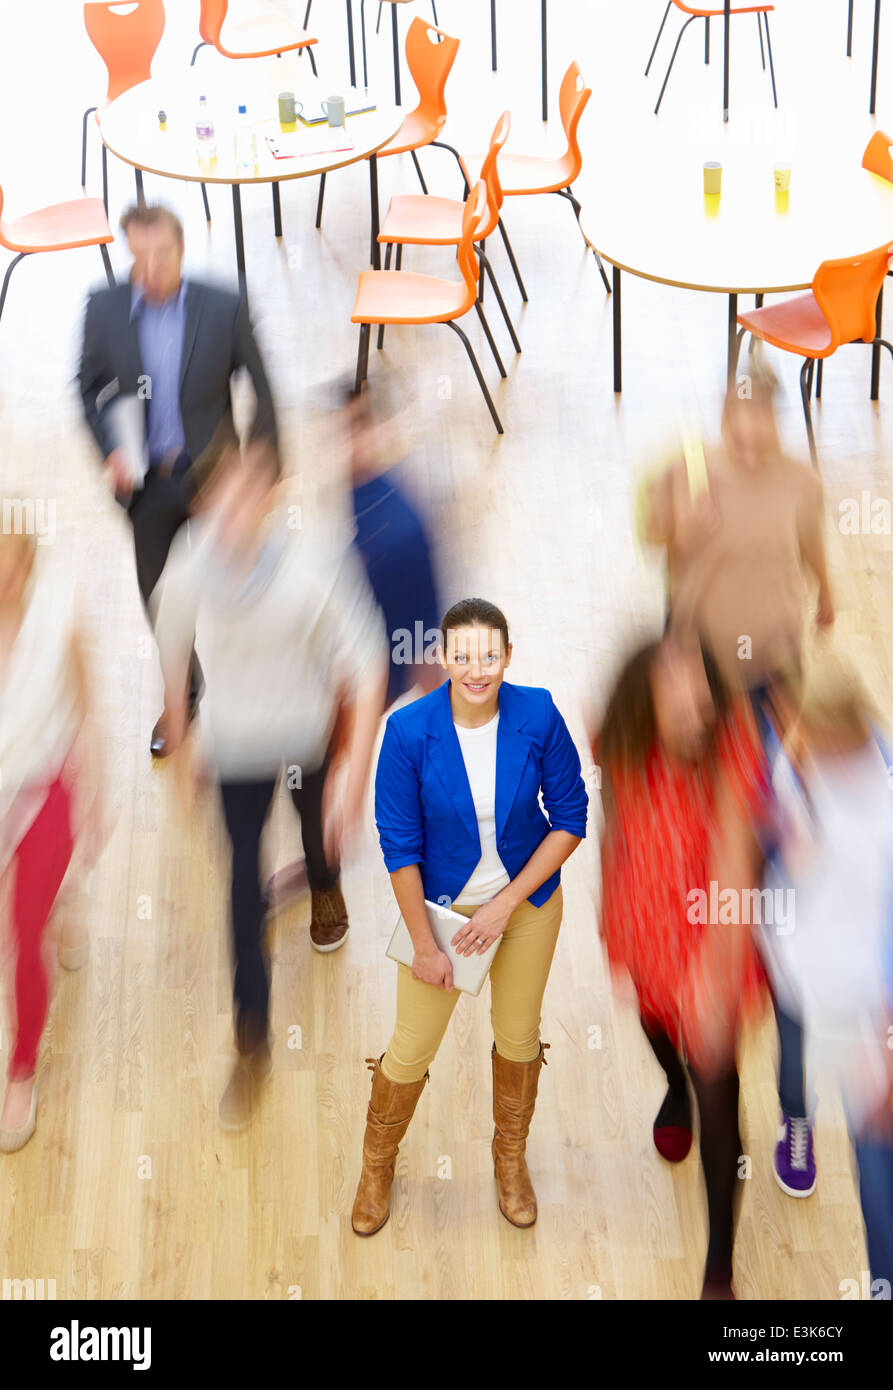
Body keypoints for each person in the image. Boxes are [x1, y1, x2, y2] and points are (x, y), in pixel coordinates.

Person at [153, 447, 388, 1130]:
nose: (230, 512)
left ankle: (325, 886)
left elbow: (368, 660)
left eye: (245, 495)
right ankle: (251, 1040)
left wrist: (352, 782)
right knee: (240, 884)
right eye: (219, 498)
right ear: (204, 504)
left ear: (269, 499)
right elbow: (171, 644)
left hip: (304, 736)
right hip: (235, 747)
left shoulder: (312, 565)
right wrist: (182, 741)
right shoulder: (188, 563)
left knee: (317, 833)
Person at [352, 598, 588, 1236]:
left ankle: (509, 1161)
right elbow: (399, 847)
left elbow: (570, 816)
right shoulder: (408, 732)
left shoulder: (538, 713)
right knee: (410, 1046)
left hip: (525, 905)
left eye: (489, 655)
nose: (476, 669)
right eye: (462, 655)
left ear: (508, 655)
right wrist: (426, 946)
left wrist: (505, 905)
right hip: (441, 914)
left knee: (518, 1036)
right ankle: (376, 1165)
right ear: (443, 658)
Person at [595, 633, 768, 1298]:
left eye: (703, 700)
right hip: (642, 927)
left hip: (708, 942)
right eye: (682, 703)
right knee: (653, 1026)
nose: (698, 715)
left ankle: (719, 1265)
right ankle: (673, 1086)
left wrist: (713, 973)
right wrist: (611, 896)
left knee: (719, 1100)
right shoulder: (621, 737)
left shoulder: (730, 750)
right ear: (647, 702)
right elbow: (614, 816)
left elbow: (735, 863)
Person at [78, 202, 279, 756]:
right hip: (147, 486)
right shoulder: (104, 308)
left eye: (161, 254)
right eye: (138, 257)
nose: (150, 268)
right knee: (159, 599)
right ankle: (184, 692)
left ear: (182, 249)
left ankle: (256, 691)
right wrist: (110, 448)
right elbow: (87, 387)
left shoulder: (224, 306)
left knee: (243, 588)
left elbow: (265, 393)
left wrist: (259, 473)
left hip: (217, 482)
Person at [265, 375, 443, 938]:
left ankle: (326, 880)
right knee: (304, 780)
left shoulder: (407, 527)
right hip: (311, 674)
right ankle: (321, 858)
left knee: (314, 780)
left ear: (380, 432)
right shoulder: (329, 501)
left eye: (359, 429)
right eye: (339, 430)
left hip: (355, 686)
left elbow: (424, 647)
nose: (347, 444)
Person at [758, 654, 893, 1289]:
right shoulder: (792, 763)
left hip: (865, 1003)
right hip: (796, 970)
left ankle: (882, 1280)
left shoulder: (883, 789)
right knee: (793, 1072)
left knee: (878, 1155)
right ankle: (797, 1125)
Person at [643, 361, 834, 723]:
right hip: (702, 654)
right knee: (704, 738)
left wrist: (826, 590)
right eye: (738, 425)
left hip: (775, 650)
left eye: (760, 419)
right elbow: (657, 540)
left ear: (776, 418)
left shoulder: (802, 482)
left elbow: (810, 540)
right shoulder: (688, 473)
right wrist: (686, 532)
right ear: (723, 417)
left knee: (769, 740)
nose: (749, 449)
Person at [0, 530, 106, 1151]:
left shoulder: (57, 615)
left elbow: (87, 705)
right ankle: (64, 900)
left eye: (12, 570)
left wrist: (95, 791)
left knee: (22, 937)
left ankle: (21, 1071)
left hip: (46, 787)